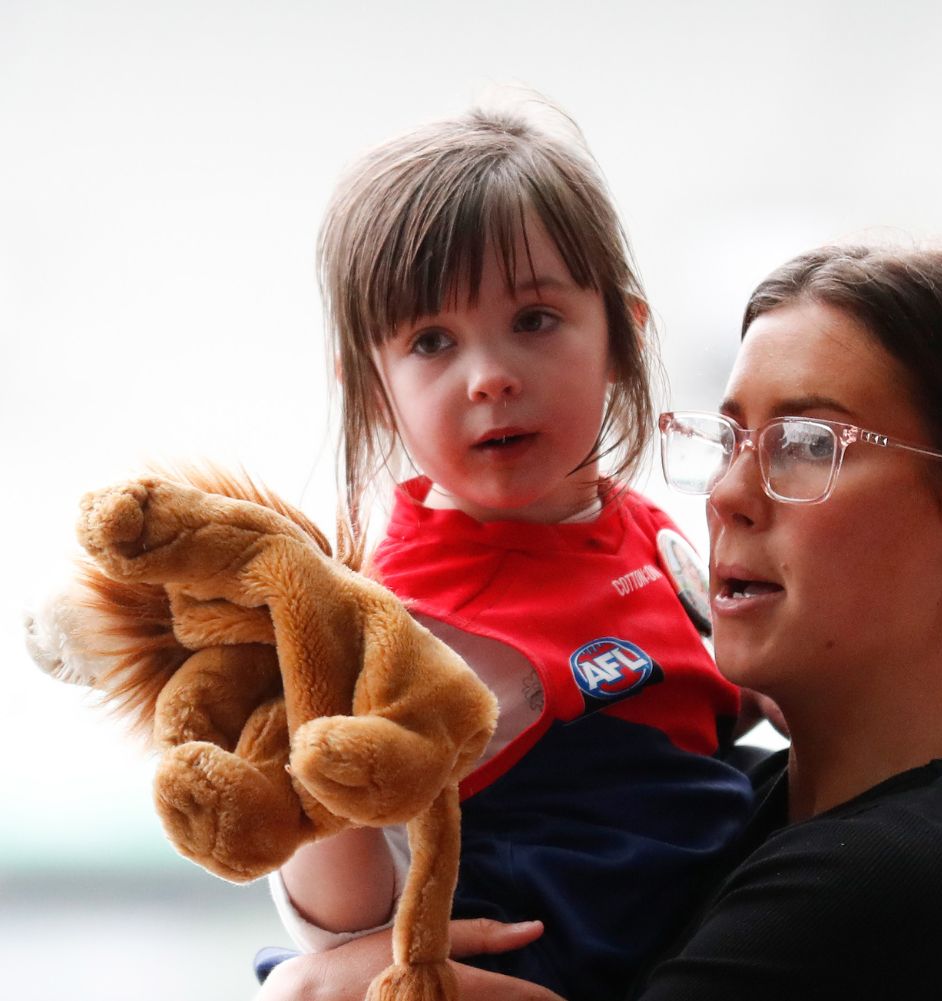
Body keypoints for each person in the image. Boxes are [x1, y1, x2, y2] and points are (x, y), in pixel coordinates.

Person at [430, 241, 942, 1001]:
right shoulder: (734, 800)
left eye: (803, 445)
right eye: (730, 439)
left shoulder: (901, 875)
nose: (727, 493)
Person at [255, 97, 754, 1001]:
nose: (489, 375)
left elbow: (733, 707)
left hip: (707, 933)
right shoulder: (382, 608)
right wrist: (317, 746)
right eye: (432, 341)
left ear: (622, 337)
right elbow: (345, 919)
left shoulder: (656, 534)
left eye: (534, 320)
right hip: (522, 963)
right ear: (374, 392)